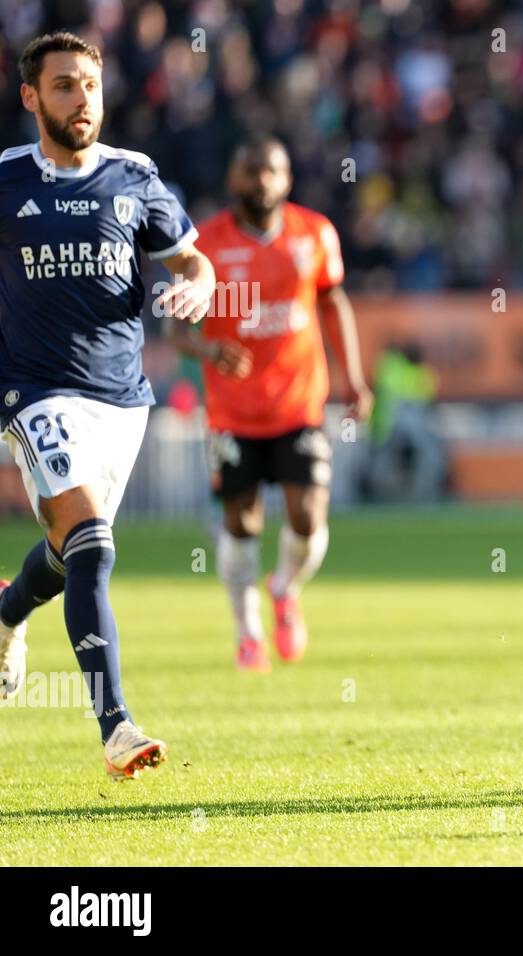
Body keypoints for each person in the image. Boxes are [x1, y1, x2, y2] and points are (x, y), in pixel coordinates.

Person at [0, 32, 215, 779]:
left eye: (88, 84)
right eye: (63, 86)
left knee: (70, 556)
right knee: (92, 541)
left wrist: (197, 284)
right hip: (34, 393)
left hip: (123, 400)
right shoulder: (4, 182)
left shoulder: (135, 177)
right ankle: (116, 726)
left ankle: (6, 611)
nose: (80, 98)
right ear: (32, 98)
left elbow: (192, 256)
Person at [167, 135, 371, 671]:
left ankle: (283, 588)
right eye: (251, 171)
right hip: (233, 413)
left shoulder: (316, 234)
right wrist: (207, 346)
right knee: (242, 522)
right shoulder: (203, 245)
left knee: (307, 517)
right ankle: (247, 630)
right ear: (232, 179)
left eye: (272, 171)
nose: (262, 181)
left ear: (288, 179)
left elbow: (334, 303)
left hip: (299, 405)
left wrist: (354, 377)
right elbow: (174, 327)